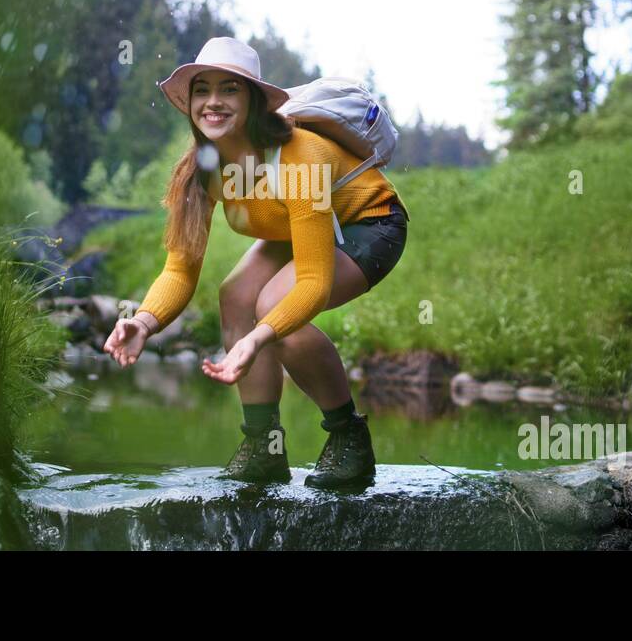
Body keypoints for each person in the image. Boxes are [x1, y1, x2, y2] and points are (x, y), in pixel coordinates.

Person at [102, 36, 408, 488]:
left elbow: (313, 282)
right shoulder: (201, 171)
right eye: (202, 90)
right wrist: (143, 323)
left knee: (273, 307)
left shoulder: (301, 156)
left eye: (230, 89)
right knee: (236, 295)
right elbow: (179, 269)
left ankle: (349, 439)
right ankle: (264, 448)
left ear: (254, 100)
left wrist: (258, 338)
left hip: (368, 222)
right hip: (295, 225)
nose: (213, 102)